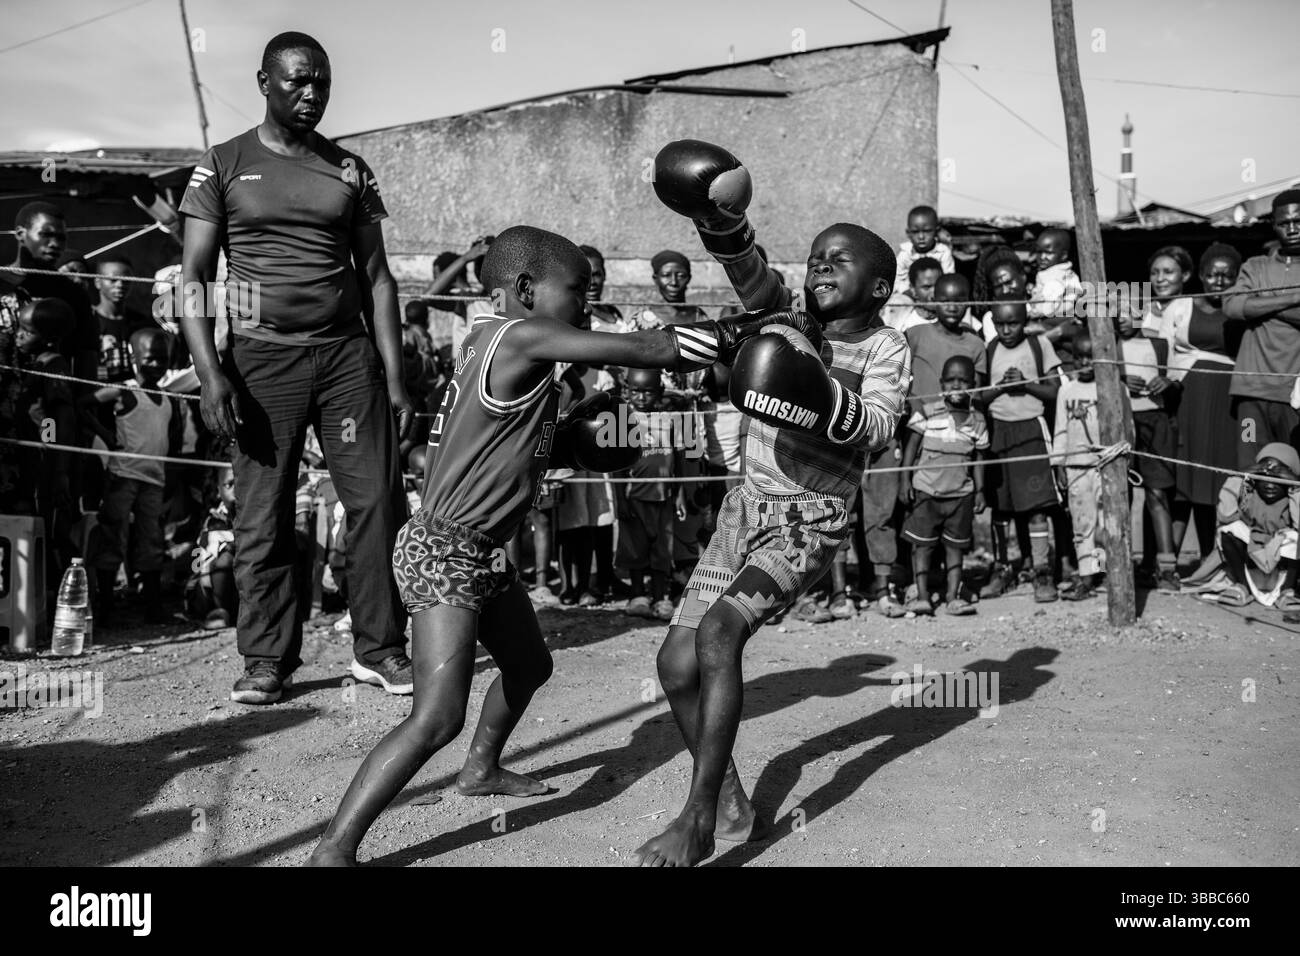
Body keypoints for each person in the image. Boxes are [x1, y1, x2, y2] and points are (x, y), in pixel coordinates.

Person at [306, 224, 818, 865]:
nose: (584, 302)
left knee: (530, 667)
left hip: (482, 553)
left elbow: (595, 450)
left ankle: (481, 770)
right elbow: (649, 347)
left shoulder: (526, 369)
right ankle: (333, 849)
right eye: (576, 290)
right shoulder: (513, 336)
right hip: (444, 552)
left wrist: (626, 403)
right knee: (436, 718)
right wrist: (735, 334)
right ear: (524, 289)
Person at [632, 140, 910, 866]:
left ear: (879, 287)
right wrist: (716, 218)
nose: (822, 266)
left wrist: (816, 395)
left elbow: (878, 428)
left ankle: (694, 820)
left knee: (719, 638)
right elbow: (752, 279)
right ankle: (728, 802)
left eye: (840, 260)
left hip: (806, 521)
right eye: (817, 256)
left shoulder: (888, 346)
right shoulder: (790, 320)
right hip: (743, 510)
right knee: (674, 661)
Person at [178, 32, 415, 704]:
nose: (312, 95)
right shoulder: (224, 164)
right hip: (260, 361)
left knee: (375, 503)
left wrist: (395, 376)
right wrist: (211, 372)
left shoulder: (348, 169)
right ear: (264, 82)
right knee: (265, 515)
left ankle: (379, 649)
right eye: (298, 82)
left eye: (323, 83)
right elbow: (194, 277)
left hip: (345, 360)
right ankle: (266, 661)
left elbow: (378, 279)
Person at [79, 328, 182, 626]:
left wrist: (170, 475)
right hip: (123, 476)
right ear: (134, 357)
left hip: (154, 480)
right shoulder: (123, 390)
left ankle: (152, 608)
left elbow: (172, 440)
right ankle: (106, 610)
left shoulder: (168, 399)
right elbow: (84, 404)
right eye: (149, 359)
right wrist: (106, 435)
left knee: (151, 541)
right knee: (113, 538)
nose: (156, 366)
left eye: (162, 360)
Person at [981, 301, 1062, 603]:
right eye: (1000, 324)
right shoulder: (990, 348)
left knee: (1036, 505)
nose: (1006, 330)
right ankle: (1002, 567)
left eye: (1012, 323)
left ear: (1024, 320)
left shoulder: (1039, 344)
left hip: (1031, 430)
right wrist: (1002, 387)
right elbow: (980, 397)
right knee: (1001, 506)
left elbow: (1055, 389)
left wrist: (1027, 385)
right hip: (999, 431)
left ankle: (1042, 570)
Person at [1167, 244, 1243, 558]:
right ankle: (1166, 560)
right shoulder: (1181, 307)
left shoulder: (1243, 310)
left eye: (1226, 276)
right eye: (1211, 275)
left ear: (1238, 277)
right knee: (1185, 477)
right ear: (1200, 275)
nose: (1218, 281)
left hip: (1228, 401)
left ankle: (1213, 557)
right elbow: (1164, 351)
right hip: (1188, 397)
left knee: (1219, 477)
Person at [899, 355, 988, 615]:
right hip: (927, 491)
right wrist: (905, 479)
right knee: (923, 546)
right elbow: (911, 447)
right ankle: (923, 596)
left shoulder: (978, 420)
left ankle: (952, 596)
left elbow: (980, 458)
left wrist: (980, 491)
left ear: (974, 384)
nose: (957, 386)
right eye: (951, 381)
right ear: (941, 384)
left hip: (960, 493)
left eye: (964, 381)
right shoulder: (928, 411)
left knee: (955, 547)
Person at [1223, 190, 1300, 467]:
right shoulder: (1255, 266)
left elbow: (1245, 305)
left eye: (1298, 221)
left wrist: (1260, 302)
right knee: (1251, 466)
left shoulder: (1256, 278)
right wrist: (1292, 297)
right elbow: (1231, 306)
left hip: (1293, 397)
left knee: (1292, 470)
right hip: (1251, 395)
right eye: (1284, 223)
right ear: (1274, 225)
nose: (1292, 229)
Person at [1116, 298, 1181, 591]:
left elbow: (1175, 378)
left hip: (1155, 422)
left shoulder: (1160, 344)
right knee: (1121, 497)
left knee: (1157, 494)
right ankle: (1120, 565)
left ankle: (1167, 568)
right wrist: (1118, 381)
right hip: (1120, 425)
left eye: (1128, 313)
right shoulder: (1109, 347)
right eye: (1115, 314)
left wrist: (1165, 383)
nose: (1121, 319)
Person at [617, 367, 689, 620]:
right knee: (635, 548)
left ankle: (661, 598)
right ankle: (637, 596)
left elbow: (679, 458)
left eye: (648, 392)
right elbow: (617, 467)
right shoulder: (622, 420)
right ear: (627, 391)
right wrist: (619, 499)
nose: (642, 397)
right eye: (636, 391)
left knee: (662, 550)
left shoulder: (671, 419)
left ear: (659, 391)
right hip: (633, 497)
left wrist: (679, 494)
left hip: (664, 497)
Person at [1200, 443, 1299, 608]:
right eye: (1263, 477)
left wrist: (1296, 486)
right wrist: (1239, 477)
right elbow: (1225, 515)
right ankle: (1242, 587)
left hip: (1282, 569)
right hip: (1251, 564)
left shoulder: (1294, 495)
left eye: (1277, 478)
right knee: (1228, 529)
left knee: (1296, 538)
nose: (1269, 484)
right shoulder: (1249, 492)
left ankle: (1287, 592)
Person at [1052, 330, 1104, 600]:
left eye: (1091, 357)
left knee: (1107, 524)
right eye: (1079, 358)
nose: (1085, 363)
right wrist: (1059, 463)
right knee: (1083, 524)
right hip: (1076, 467)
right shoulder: (1066, 391)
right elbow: (1060, 430)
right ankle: (1086, 577)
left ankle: (1104, 573)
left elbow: (1126, 428)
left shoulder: (1112, 388)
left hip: (1106, 467)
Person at [905, 273, 988, 415]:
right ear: (934, 300)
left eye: (959, 302)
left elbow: (975, 394)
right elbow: (895, 377)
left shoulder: (976, 344)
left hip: (957, 424)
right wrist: (911, 401)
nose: (952, 308)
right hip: (916, 421)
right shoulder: (915, 335)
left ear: (968, 303)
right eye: (945, 301)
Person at [186, 464, 239, 630]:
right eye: (229, 485)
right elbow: (198, 565)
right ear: (218, 491)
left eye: (241, 483)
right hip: (207, 593)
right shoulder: (213, 522)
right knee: (226, 559)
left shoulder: (257, 516)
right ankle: (219, 611)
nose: (236, 490)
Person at [92, 255, 153, 384]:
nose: (120, 285)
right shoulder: (90, 320)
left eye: (126, 280)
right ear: (98, 282)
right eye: (113, 280)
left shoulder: (140, 323)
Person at [893, 205, 955, 294]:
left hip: (937, 293)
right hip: (910, 294)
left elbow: (948, 279)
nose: (921, 237)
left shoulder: (943, 253)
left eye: (927, 231)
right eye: (915, 232)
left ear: (936, 231)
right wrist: (908, 292)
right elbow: (897, 280)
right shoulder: (905, 254)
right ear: (908, 233)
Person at [882, 256, 942, 333]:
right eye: (926, 287)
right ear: (913, 290)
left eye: (938, 286)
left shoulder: (954, 317)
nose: (934, 294)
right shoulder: (901, 320)